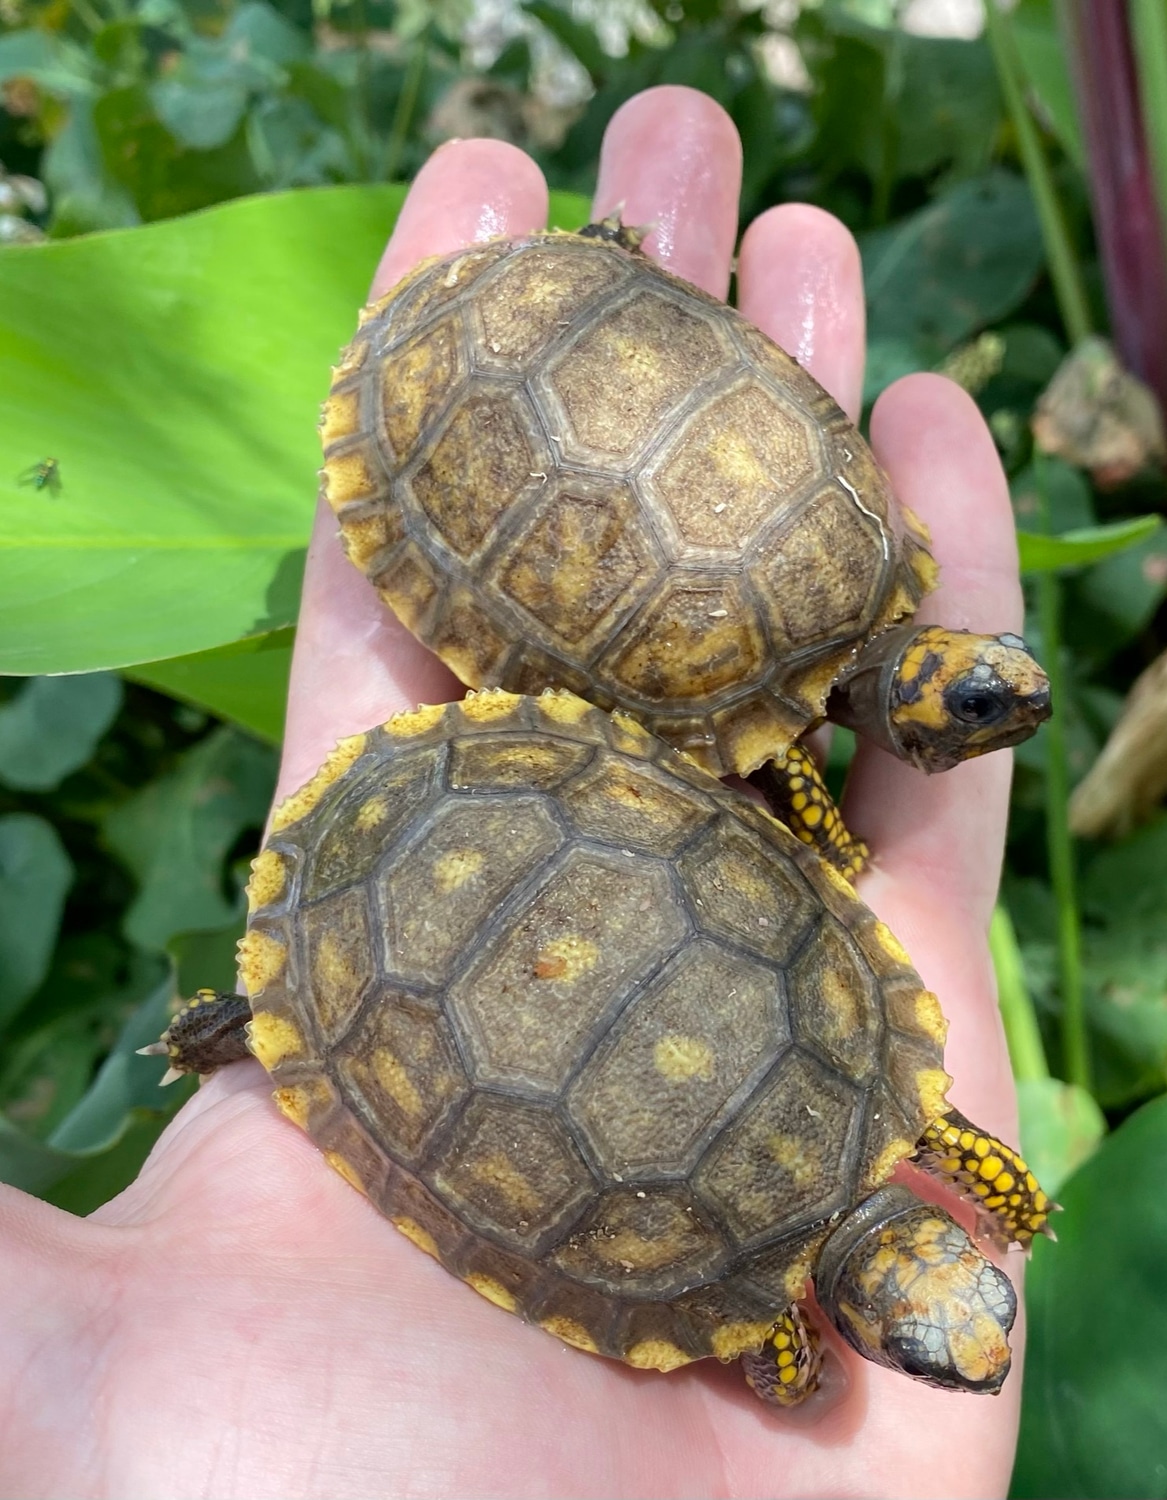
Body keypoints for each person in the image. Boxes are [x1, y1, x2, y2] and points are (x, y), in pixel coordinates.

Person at [0, 86, 1026, 1497]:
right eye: (972, 694)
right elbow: (778, 1355)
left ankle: (281, 1009)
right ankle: (285, 1009)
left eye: (930, 1352)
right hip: (533, 835)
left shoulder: (864, 1109)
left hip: (537, 854)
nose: (990, 706)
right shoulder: (834, 1180)